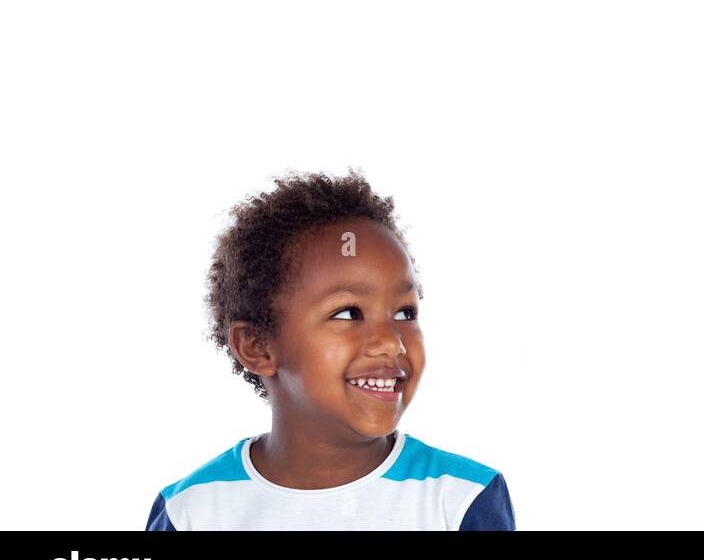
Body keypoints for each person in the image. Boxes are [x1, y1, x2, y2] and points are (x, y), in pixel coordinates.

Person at [146, 169, 515, 530]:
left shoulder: (463, 499)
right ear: (256, 345)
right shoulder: (190, 512)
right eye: (348, 313)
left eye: (405, 312)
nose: (391, 341)